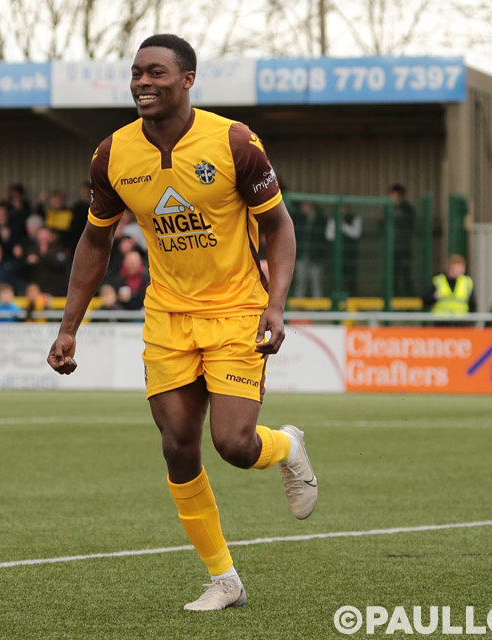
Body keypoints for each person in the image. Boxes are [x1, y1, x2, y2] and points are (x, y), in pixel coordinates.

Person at [47, 34, 316, 612]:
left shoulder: (234, 142)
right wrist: (70, 325)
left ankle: (285, 446)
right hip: (168, 315)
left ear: (187, 79)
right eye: (137, 73)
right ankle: (225, 579)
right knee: (177, 445)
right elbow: (96, 240)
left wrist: (276, 304)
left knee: (234, 444)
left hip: (237, 309)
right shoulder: (112, 154)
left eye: (156, 73)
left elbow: (280, 228)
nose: (143, 82)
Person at [423, 254, 475, 325]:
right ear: (449, 268)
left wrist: (471, 323)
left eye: (461, 268)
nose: (459, 271)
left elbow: (472, 305)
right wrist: (435, 296)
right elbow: (425, 300)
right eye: (456, 268)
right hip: (441, 324)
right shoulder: (439, 281)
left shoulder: (467, 282)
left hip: (461, 324)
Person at [390, 183, 416, 296]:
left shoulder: (408, 208)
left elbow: (410, 224)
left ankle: (407, 295)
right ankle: (393, 295)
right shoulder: (388, 208)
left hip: (404, 247)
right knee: (392, 274)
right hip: (392, 247)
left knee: (406, 272)